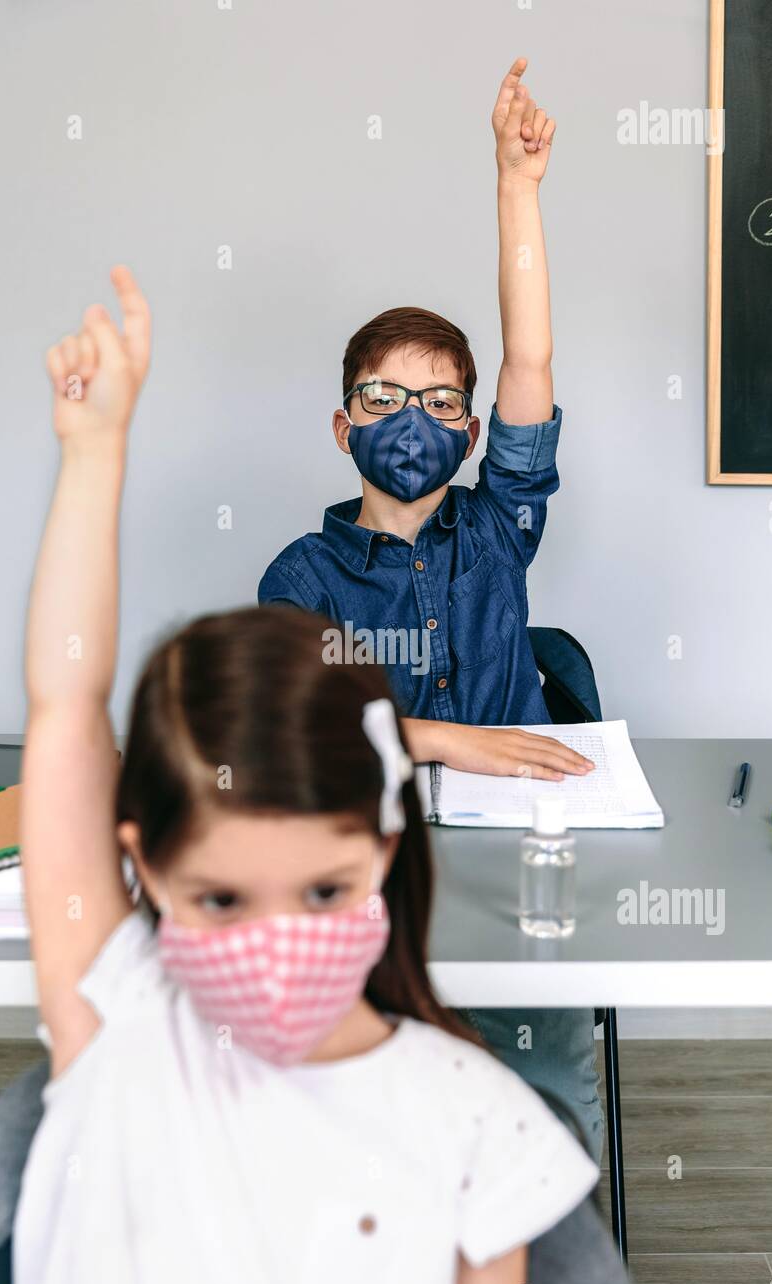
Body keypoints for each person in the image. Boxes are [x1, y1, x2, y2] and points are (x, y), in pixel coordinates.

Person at [12, 265, 598, 1284]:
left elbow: (530, 368)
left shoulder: (478, 1118)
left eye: (323, 892)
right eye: (223, 899)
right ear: (143, 865)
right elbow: (65, 711)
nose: (277, 940)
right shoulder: (124, 1049)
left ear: (381, 850)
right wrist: (94, 453)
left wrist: (516, 183)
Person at [258, 59, 603, 1158]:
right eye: (382, 398)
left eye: (442, 401)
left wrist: (515, 186)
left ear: (469, 434)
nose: (413, 418)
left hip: (512, 865)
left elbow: (532, 356)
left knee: (537, 1106)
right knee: (350, 1109)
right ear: (341, 425)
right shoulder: (302, 575)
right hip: (360, 876)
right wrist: (459, 743)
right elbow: (301, 731)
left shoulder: (499, 526)